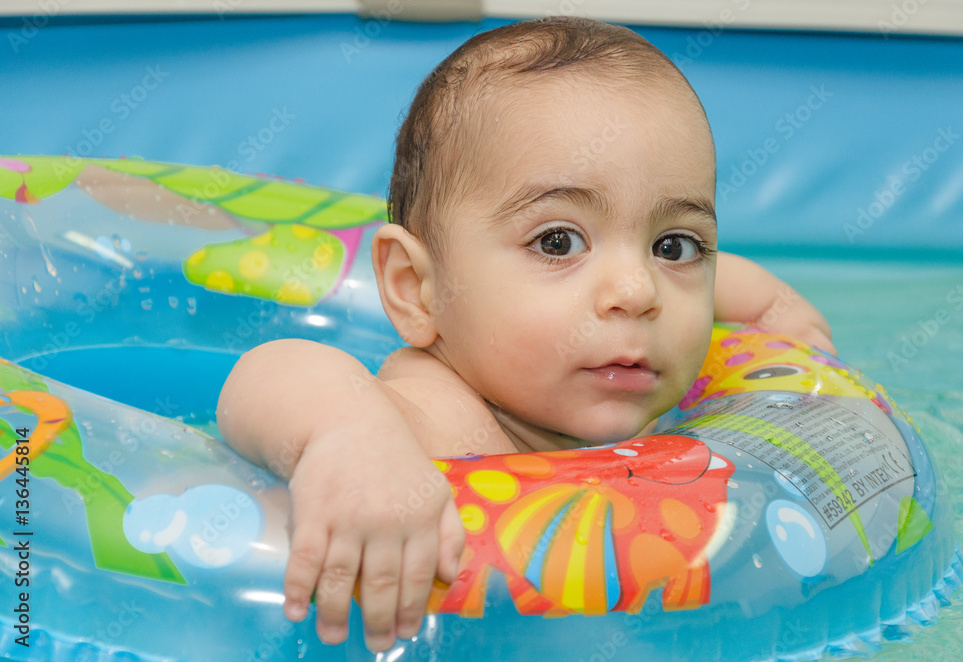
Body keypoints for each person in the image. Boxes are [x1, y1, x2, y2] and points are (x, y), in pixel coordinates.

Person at [217, 16, 835, 653]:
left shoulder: (633, 332)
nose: (638, 291)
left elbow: (715, 278)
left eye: (672, 244)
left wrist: (777, 310)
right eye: (558, 241)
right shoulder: (432, 423)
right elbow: (271, 371)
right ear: (415, 287)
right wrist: (348, 442)